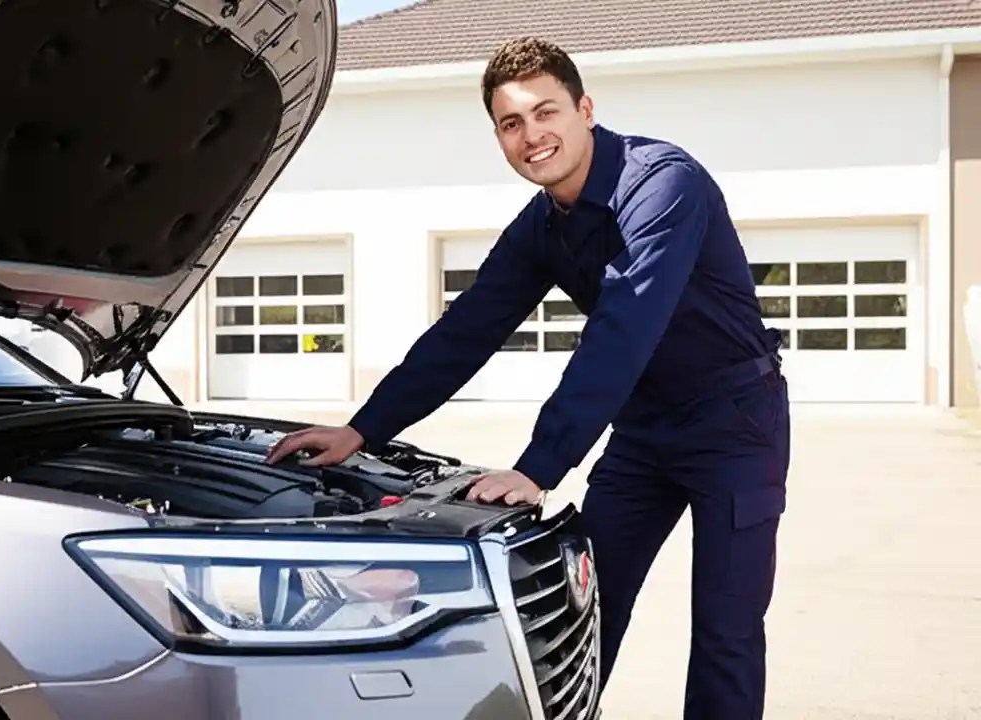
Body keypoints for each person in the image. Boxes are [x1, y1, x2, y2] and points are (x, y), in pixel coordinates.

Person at [265, 36, 790, 720]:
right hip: (643, 431)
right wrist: (364, 428)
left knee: (726, 631)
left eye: (546, 113)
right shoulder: (543, 226)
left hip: (734, 424)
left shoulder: (665, 185)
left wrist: (539, 467)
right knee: (579, 612)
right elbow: (466, 332)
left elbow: (622, 332)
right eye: (511, 124)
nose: (532, 136)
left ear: (585, 110)